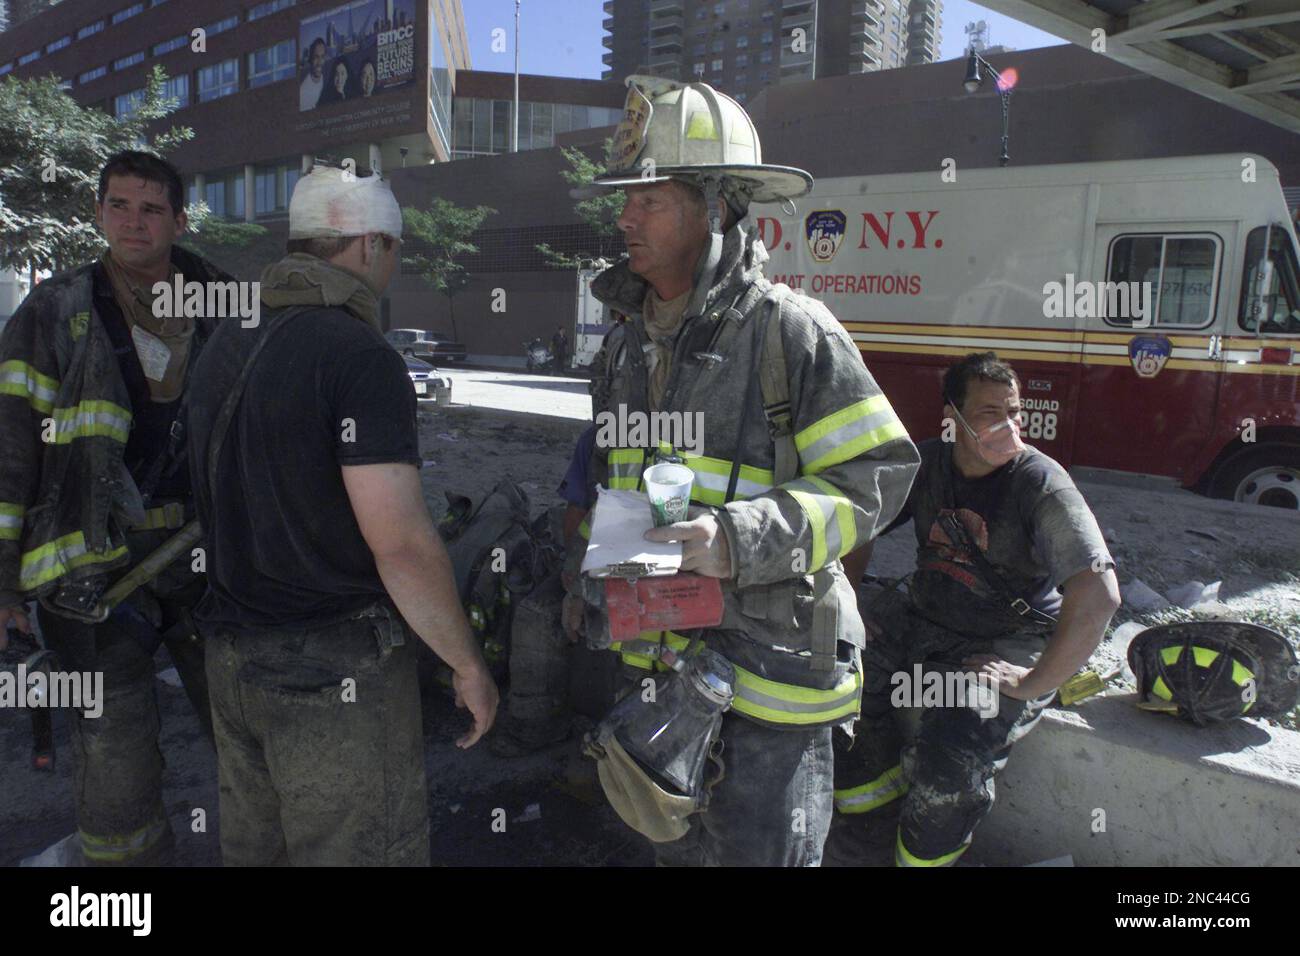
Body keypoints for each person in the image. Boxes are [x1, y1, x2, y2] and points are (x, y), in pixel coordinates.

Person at [569, 75, 920, 866]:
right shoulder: (626, 347)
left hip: (773, 702)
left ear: (717, 205)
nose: (625, 217)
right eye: (625, 198)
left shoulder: (789, 333)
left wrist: (733, 538)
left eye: (650, 198)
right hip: (663, 681)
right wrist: (595, 593)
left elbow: (877, 479)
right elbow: (619, 489)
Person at [185, 165, 498, 866]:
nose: (392, 264)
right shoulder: (360, 358)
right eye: (393, 249)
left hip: (231, 659)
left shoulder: (223, 346)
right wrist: (466, 663)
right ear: (367, 247)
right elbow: (403, 546)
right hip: (329, 674)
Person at [0, 150, 235, 865]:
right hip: (93, 575)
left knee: (246, 724)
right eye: (120, 205)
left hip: (211, 562)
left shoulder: (223, 300)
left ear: (179, 219)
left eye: (151, 208)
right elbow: (11, 446)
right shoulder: (56, 308)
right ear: (98, 212)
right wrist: (4, 579)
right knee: (113, 745)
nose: (134, 221)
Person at [826, 352, 1120, 867]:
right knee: (836, 687)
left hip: (1002, 639)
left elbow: (1099, 594)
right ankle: (869, 830)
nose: (1007, 426)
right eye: (989, 413)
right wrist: (849, 602)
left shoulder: (1039, 483)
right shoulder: (927, 464)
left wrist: (1033, 680)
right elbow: (860, 523)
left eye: (1015, 412)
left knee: (950, 765)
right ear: (952, 418)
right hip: (925, 618)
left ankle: (922, 859)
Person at [489, 425, 598, 757]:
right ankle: (538, 725)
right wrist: (573, 574)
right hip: (597, 559)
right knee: (536, 614)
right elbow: (575, 513)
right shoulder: (599, 438)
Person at [299, 38, 327, 110]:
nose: (320, 62)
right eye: (316, 57)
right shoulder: (303, 92)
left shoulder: (326, 77)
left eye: (322, 57)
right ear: (311, 59)